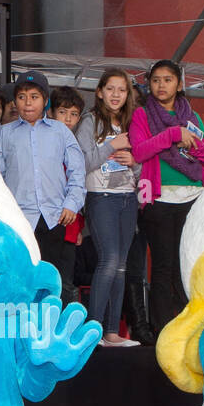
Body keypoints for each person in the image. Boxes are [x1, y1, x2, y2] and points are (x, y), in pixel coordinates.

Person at [130, 59, 204, 333]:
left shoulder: (192, 116)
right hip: (159, 200)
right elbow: (140, 151)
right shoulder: (142, 115)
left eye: (167, 79)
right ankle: (164, 331)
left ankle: (189, 329)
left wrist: (191, 144)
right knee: (163, 268)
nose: (161, 85)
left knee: (188, 266)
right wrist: (172, 135)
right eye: (155, 80)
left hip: (193, 199)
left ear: (179, 84)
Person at [0, 71, 85, 303]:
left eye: (34, 97)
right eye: (22, 97)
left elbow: (77, 171)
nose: (28, 103)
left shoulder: (60, 131)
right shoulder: (4, 133)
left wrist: (71, 204)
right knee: (20, 279)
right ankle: (23, 331)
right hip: (19, 220)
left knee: (52, 280)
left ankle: (50, 330)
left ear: (45, 101)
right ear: (14, 101)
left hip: (54, 217)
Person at [75, 68, 139, 346]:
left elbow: (141, 167)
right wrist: (112, 144)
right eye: (110, 89)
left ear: (128, 95)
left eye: (121, 90)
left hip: (128, 197)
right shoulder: (90, 121)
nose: (116, 95)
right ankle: (94, 329)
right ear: (99, 91)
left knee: (122, 266)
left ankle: (112, 332)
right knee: (109, 260)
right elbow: (82, 162)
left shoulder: (133, 123)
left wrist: (134, 163)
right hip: (100, 197)